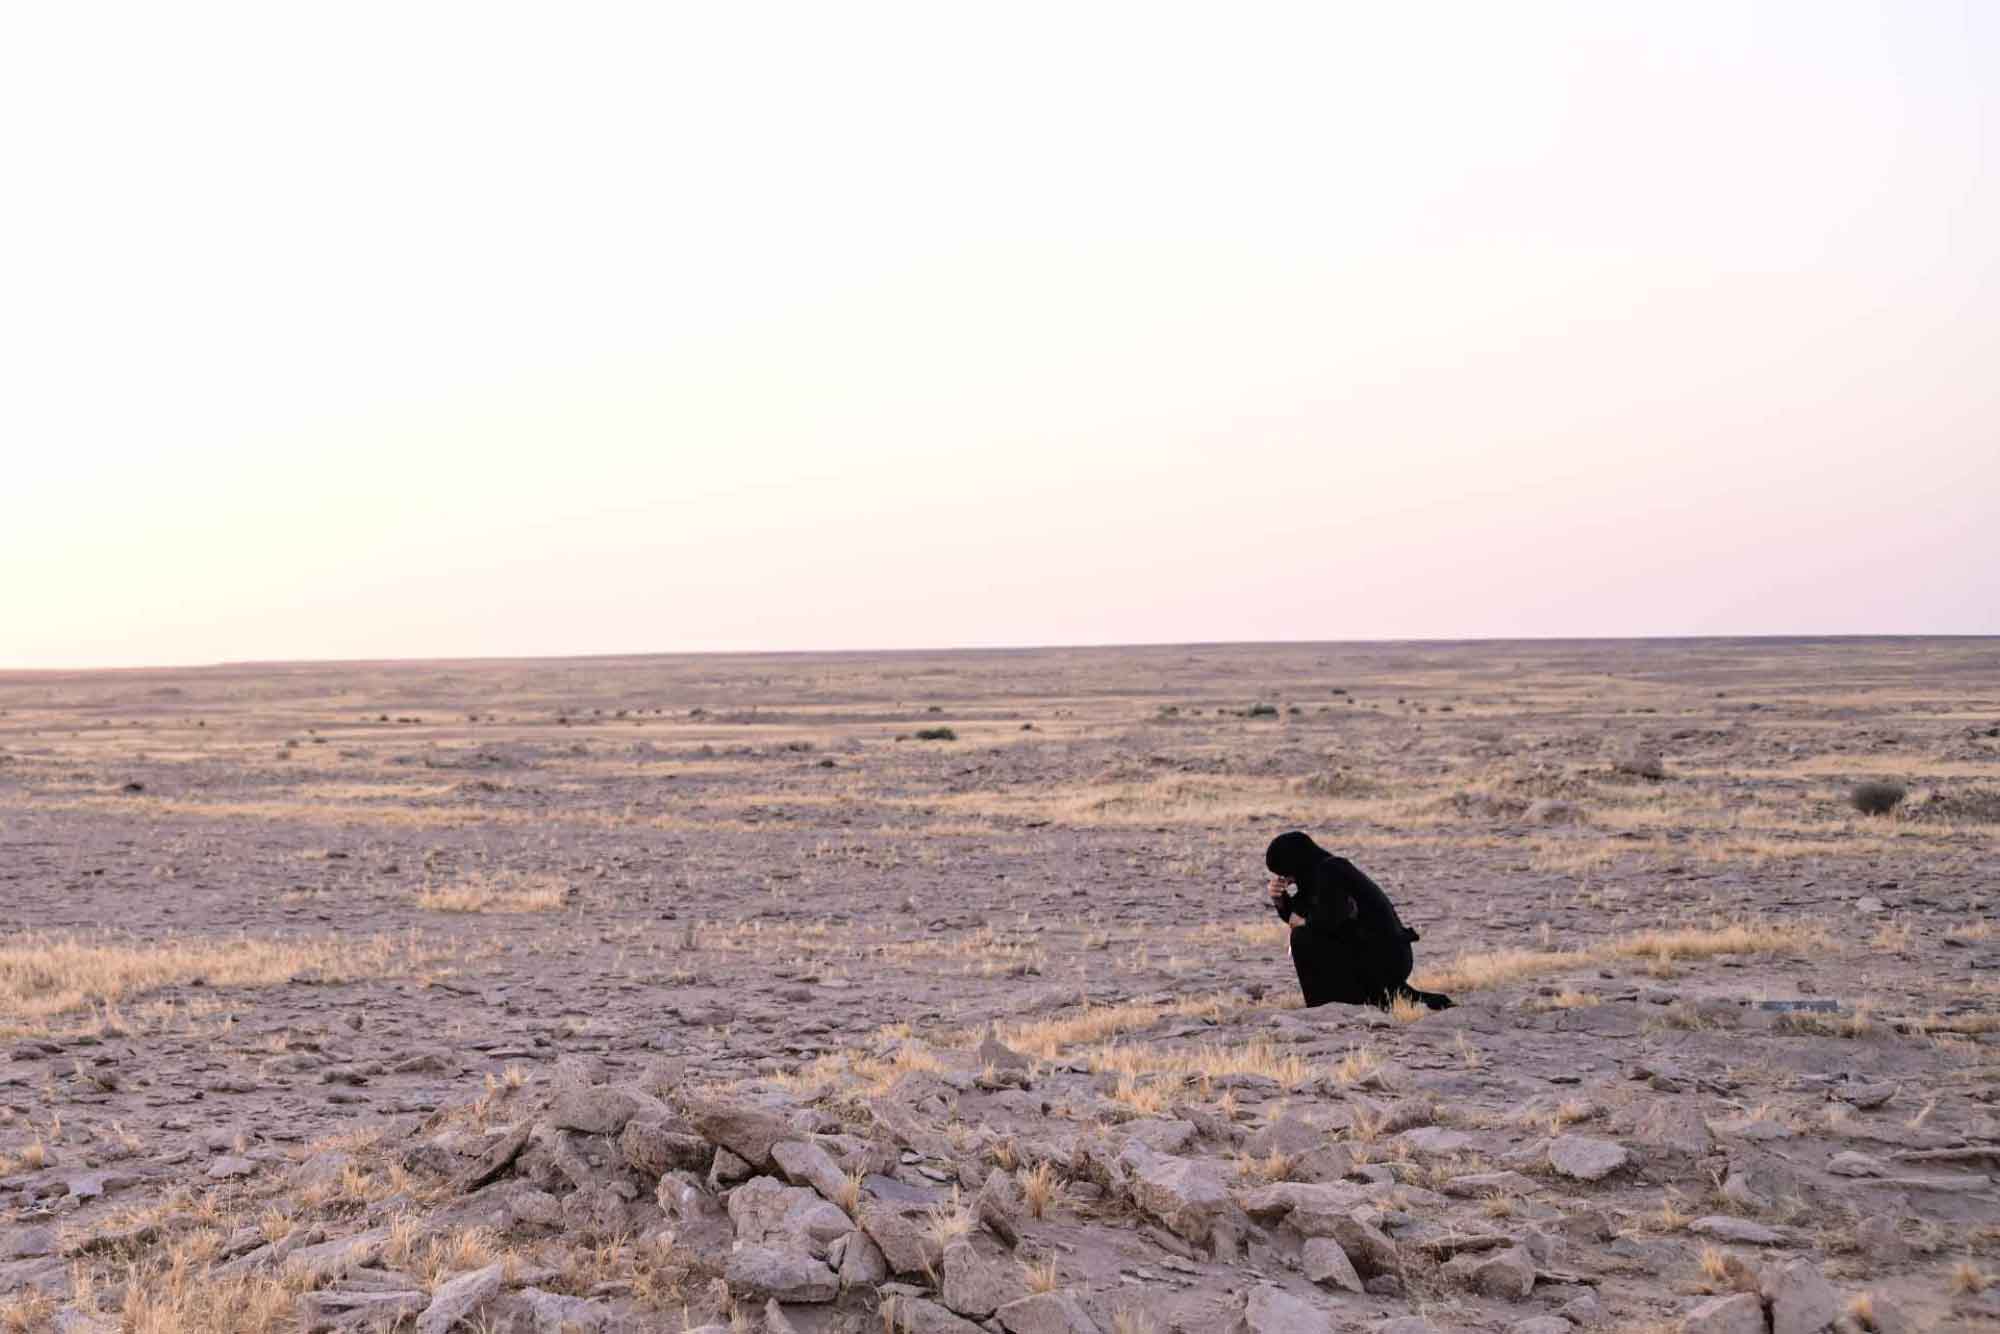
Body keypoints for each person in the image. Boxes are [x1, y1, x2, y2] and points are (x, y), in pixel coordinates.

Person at [1264, 831, 1454, 1011]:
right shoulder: (1321, 872)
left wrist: (1303, 923)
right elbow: (1301, 915)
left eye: (1286, 872)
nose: (1287, 878)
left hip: (1385, 958)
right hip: (1380, 956)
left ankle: (1322, 1006)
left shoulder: (1330, 870)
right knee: (1305, 934)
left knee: (1302, 938)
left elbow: (1327, 921)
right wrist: (1281, 900)